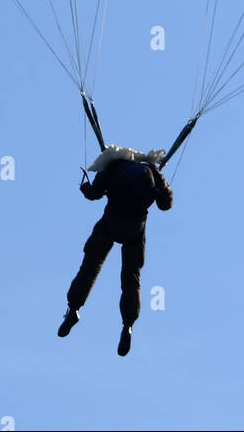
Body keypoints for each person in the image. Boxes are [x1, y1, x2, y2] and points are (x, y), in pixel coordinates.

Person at [58, 144, 173, 356]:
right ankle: (128, 324)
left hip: (110, 224)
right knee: (131, 278)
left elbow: (94, 194)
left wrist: (84, 187)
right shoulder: (151, 170)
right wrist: (160, 180)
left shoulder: (112, 166)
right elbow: (166, 204)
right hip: (135, 231)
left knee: (90, 266)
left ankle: (73, 309)